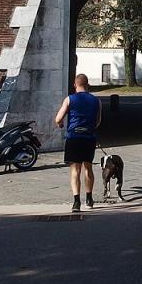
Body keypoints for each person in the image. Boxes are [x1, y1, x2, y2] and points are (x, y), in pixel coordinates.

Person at [54, 74, 101, 212]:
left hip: (74, 137)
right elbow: (98, 121)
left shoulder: (69, 99)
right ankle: (89, 198)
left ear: (75, 85)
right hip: (89, 137)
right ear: (87, 85)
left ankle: (76, 202)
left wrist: (61, 124)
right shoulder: (96, 100)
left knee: (75, 170)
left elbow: (58, 118)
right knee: (88, 168)